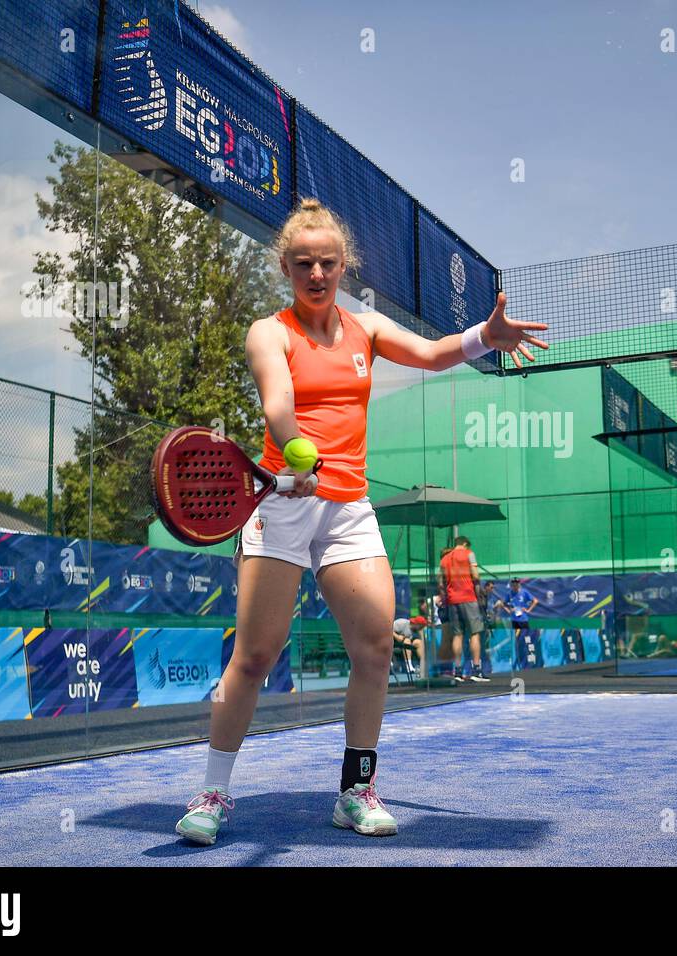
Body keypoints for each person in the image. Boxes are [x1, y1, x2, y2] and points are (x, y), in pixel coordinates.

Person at [175, 198, 547, 845]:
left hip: (348, 508)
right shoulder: (270, 332)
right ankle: (212, 793)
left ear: (345, 265)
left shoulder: (366, 329)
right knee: (256, 654)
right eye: (302, 264)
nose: (315, 275)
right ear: (285, 267)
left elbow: (431, 354)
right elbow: (278, 404)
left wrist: (487, 336)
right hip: (284, 499)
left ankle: (355, 792)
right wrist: (301, 455)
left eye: (326, 263)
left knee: (375, 649)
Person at [439, 536, 490, 684]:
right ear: (465, 544)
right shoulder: (469, 554)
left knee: (457, 635)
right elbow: (475, 575)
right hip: (469, 598)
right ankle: (476, 670)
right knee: (474, 633)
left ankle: (458, 671)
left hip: (452, 601)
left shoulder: (444, 559)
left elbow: (441, 583)